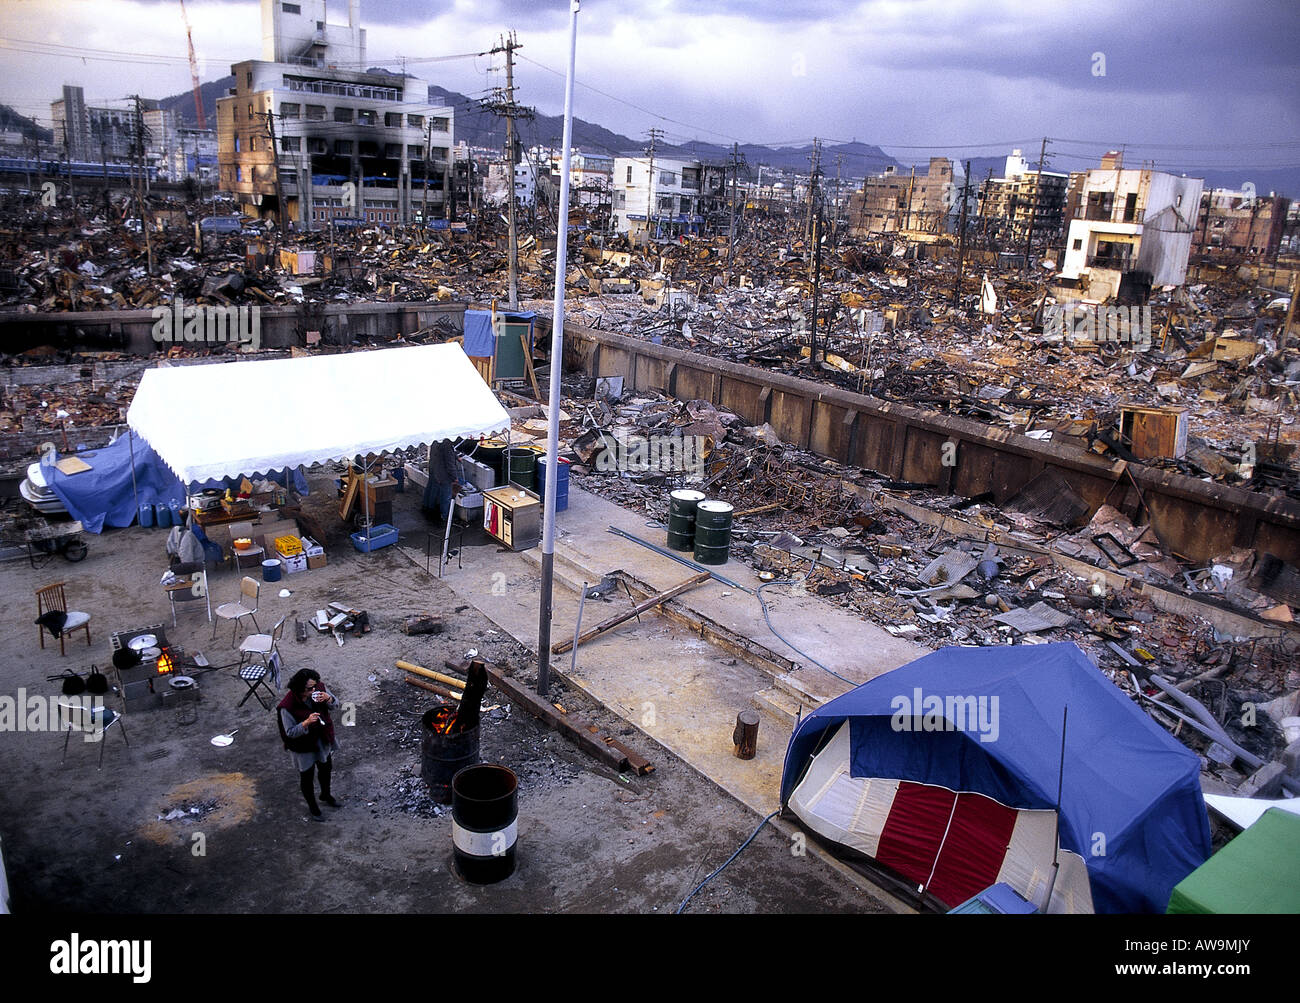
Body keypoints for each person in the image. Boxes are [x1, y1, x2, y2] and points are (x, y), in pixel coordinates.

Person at [277, 668, 341, 821]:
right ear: (299, 688)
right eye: (309, 688)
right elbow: (290, 732)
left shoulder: (320, 689)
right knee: (307, 777)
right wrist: (305, 723)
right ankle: (313, 807)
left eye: (315, 686)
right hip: (303, 747)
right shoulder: (287, 706)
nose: (314, 690)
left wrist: (328, 699)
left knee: (326, 768)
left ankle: (325, 795)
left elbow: (336, 704)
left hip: (322, 739)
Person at [423, 439, 465, 523]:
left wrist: (456, 457)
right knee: (446, 496)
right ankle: (445, 516)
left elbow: (443, 454)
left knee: (432, 490)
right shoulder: (447, 445)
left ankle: (428, 508)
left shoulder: (435, 441)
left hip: (434, 470)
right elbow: (450, 465)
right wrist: (455, 478)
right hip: (444, 475)